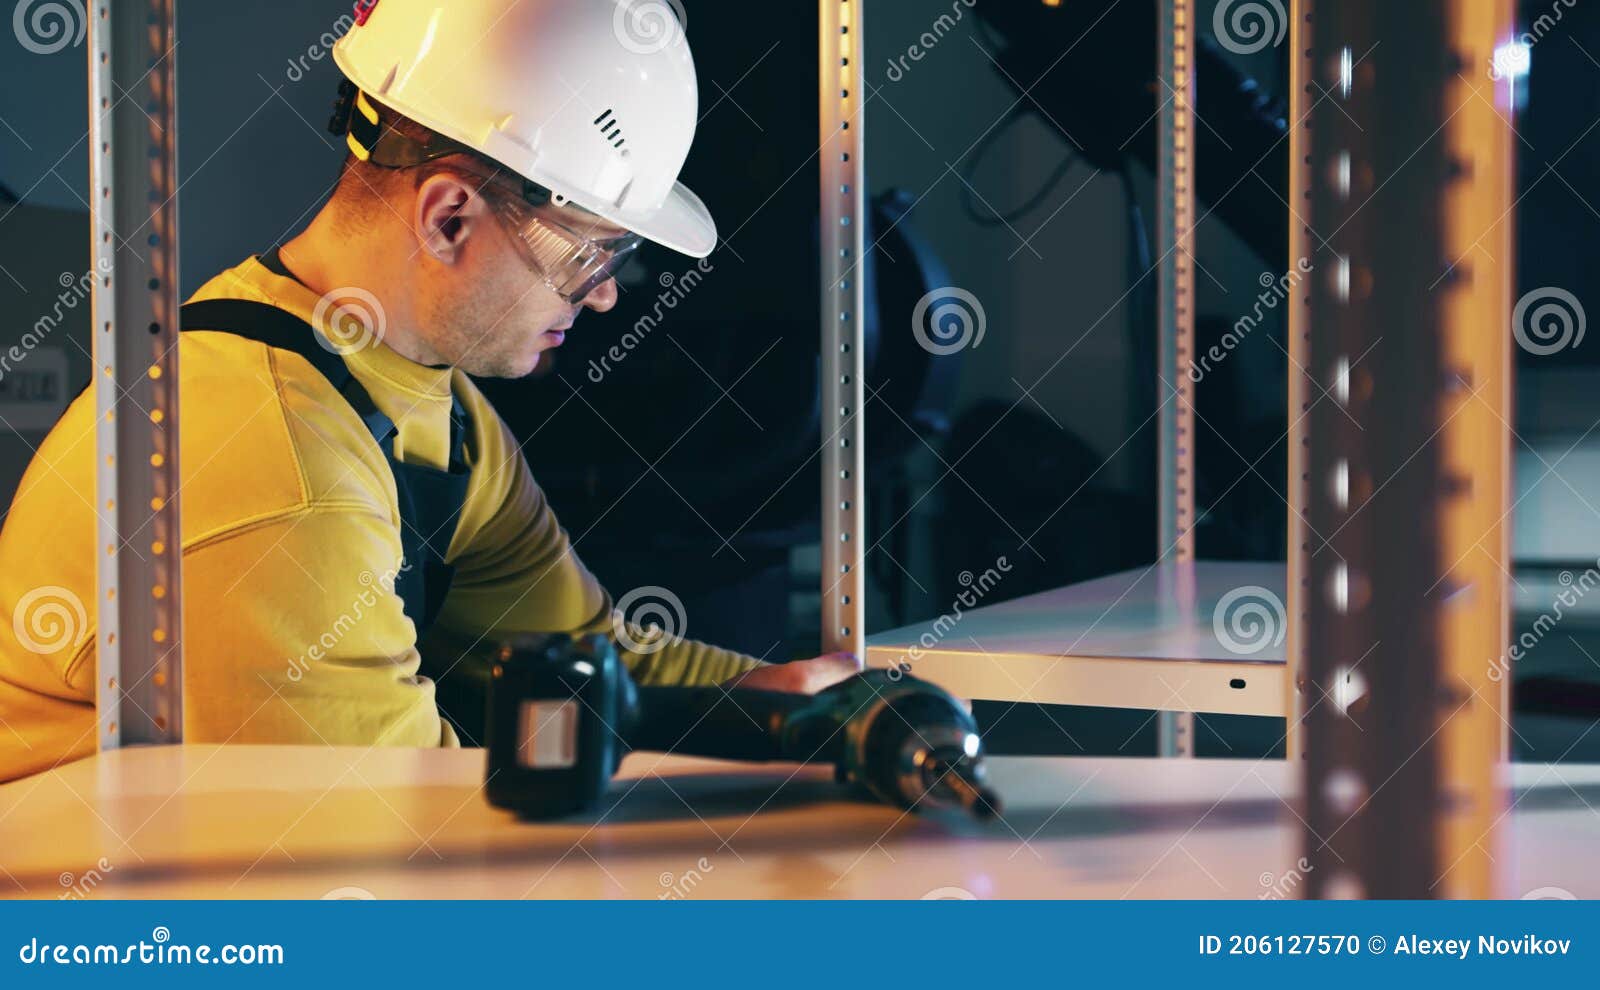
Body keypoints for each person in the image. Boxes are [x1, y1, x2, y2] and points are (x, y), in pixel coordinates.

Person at [0, 0, 857, 783]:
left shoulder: (424, 400)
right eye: (589, 253)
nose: (604, 294)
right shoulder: (283, 474)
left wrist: (788, 705)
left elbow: (578, 658)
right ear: (450, 216)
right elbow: (402, 851)